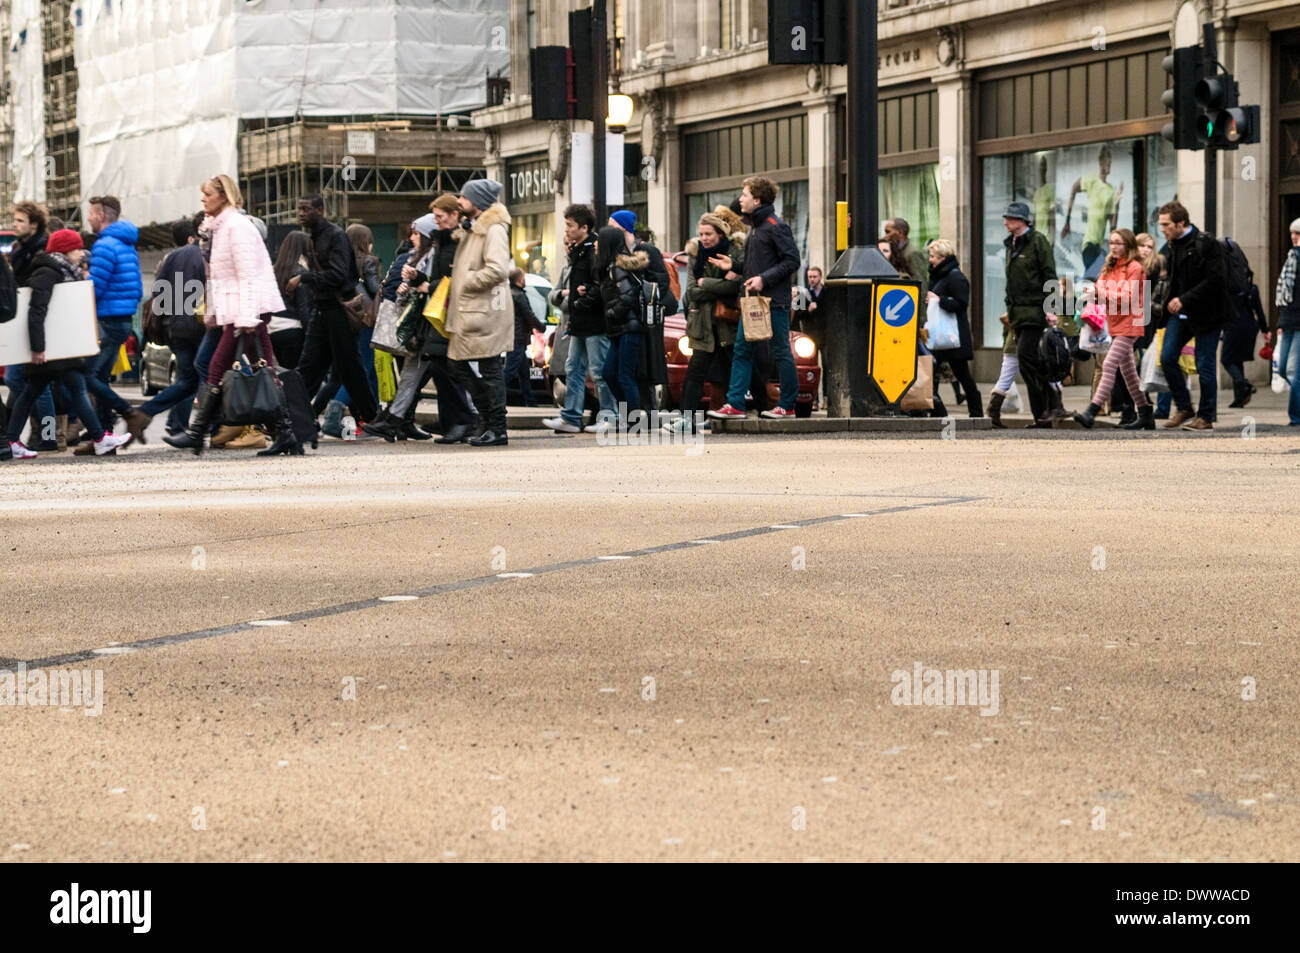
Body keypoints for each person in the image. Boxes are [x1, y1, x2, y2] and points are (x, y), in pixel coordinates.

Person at [165, 175, 291, 455]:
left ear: (223, 196)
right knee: (263, 368)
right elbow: (218, 278)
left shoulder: (236, 227)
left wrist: (246, 316)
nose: (203, 199)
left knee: (217, 366)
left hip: (246, 310)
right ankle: (286, 433)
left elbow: (246, 274)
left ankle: (197, 433)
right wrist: (214, 312)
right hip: (239, 310)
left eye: (207, 194)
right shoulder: (220, 229)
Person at [4, 229, 133, 458]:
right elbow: (37, 310)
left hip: (58, 347)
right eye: (76, 249)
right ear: (64, 250)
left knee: (38, 393)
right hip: (52, 348)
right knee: (71, 390)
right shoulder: (49, 271)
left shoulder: (60, 270)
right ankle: (98, 438)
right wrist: (38, 347)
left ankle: (13, 440)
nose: (80, 254)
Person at [366, 199, 473, 443]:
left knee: (453, 373)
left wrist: (422, 284)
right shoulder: (422, 253)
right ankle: (396, 418)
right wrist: (414, 282)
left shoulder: (445, 248)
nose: (412, 237)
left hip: (439, 320)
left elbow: (451, 281)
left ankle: (473, 418)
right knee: (417, 374)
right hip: (427, 322)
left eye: (417, 233)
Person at [708, 176, 801, 420]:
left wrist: (763, 279)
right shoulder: (757, 228)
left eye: (745, 195)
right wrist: (735, 265)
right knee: (742, 351)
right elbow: (757, 266)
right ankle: (736, 404)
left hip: (773, 301)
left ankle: (788, 405)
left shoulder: (775, 225)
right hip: (754, 302)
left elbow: (792, 261)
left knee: (780, 351)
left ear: (757, 200)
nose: (741, 199)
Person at [291, 194, 380, 429]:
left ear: (320, 209)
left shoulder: (335, 236)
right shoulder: (313, 237)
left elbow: (340, 275)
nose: (301, 213)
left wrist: (304, 277)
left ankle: (372, 417)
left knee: (349, 369)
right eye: (299, 209)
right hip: (323, 311)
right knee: (311, 368)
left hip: (338, 313)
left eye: (306, 209)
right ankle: (293, 418)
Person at [445, 179, 513, 447]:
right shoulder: (474, 228)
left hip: (485, 309)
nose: (459, 201)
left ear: (478, 201)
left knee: (489, 367)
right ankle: (488, 419)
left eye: (464, 197)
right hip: (473, 309)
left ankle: (496, 426)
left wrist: (468, 280)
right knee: (458, 363)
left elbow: (497, 269)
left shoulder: (493, 230)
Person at [1157, 200, 1229, 431]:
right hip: (1182, 314)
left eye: (1166, 224)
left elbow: (1216, 280)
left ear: (1181, 223)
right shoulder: (1172, 244)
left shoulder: (1206, 243)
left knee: (1204, 363)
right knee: (1167, 358)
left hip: (1208, 314)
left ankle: (1205, 417)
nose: (1162, 229)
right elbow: (1174, 280)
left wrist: (1183, 299)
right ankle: (1184, 407)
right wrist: (1168, 302)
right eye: (1161, 224)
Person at [1071, 229, 1154, 430]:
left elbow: (1127, 298)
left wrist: (1100, 292)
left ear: (1128, 245)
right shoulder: (1109, 267)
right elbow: (1101, 292)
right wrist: (1090, 295)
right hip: (1114, 322)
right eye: (1111, 243)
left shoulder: (1135, 268)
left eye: (1119, 243)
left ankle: (1091, 411)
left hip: (1131, 322)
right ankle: (1145, 413)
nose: (1114, 247)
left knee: (1109, 364)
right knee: (1128, 371)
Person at [85, 195, 150, 445]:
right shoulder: (126, 244)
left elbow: (95, 288)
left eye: (91, 213)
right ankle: (104, 436)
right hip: (122, 320)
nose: (88, 218)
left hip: (106, 320)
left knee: (87, 377)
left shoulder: (104, 245)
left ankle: (129, 413)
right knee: (99, 378)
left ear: (101, 216)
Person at [134, 218, 207, 439]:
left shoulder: (171, 258)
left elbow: (160, 298)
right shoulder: (206, 256)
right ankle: (209, 427)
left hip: (177, 326)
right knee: (210, 376)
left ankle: (165, 421)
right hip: (203, 324)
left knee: (186, 380)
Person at [543, 204, 612, 434]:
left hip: (594, 321)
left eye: (570, 226)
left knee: (599, 370)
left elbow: (600, 285)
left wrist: (581, 299)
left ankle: (609, 416)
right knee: (573, 368)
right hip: (580, 321)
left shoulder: (593, 251)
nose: (567, 230)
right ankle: (571, 417)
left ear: (584, 227)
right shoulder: (580, 250)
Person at [676, 210, 746, 432]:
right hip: (702, 324)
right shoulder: (696, 255)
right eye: (701, 234)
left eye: (709, 233)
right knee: (695, 373)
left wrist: (706, 283)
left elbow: (735, 286)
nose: (704, 238)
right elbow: (691, 293)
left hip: (727, 324)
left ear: (720, 233)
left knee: (734, 369)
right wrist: (716, 286)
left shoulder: (733, 253)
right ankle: (686, 419)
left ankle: (751, 408)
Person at [1001, 201, 1059, 428]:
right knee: (1027, 363)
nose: (1006, 222)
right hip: (1018, 313)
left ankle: (1052, 403)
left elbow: (1050, 275)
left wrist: (1052, 308)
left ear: (1022, 221)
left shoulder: (1037, 241)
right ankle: (1042, 414)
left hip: (1035, 310)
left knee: (1026, 357)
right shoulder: (1012, 244)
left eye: (1010, 218)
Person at [6, 201, 57, 450]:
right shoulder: (19, 249)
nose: (14, 225)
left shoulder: (42, 251)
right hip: (24, 324)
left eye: (20, 221)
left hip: (40, 324)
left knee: (35, 384)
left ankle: (46, 435)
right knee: (22, 382)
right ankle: (33, 434)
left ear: (34, 225)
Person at [595, 224, 654, 416]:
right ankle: (629, 414)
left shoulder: (617, 268)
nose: (596, 244)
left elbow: (629, 295)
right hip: (621, 329)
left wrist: (612, 313)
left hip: (629, 327)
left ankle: (634, 418)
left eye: (599, 241)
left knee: (624, 376)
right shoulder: (610, 268)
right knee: (609, 373)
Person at [924, 239, 981, 417]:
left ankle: (976, 413)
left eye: (933, 256)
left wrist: (939, 300)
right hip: (940, 334)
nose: (930, 260)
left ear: (942, 257)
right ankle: (937, 412)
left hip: (952, 335)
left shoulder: (955, 276)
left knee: (963, 375)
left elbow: (961, 304)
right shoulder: (939, 276)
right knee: (931, 374)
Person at [1221, 247, 1269, 408]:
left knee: (1226, 360)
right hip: (1249, 326)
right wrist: (1265, 330)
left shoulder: (1227, 286)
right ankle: (1239, 397)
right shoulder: (1250, 287)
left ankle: (1244, 384)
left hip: (1233, 325)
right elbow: (1259, 311)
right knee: (1237, 360)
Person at [1063, 145, 1123, 270]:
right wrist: (1067, 221)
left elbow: (1112, 226)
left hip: (1099, 246)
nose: (1109, 165)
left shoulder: (1110, 189)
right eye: (1107, 161)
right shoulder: (1091, 180)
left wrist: (1117, 205)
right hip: (1088, 244)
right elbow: (1074, 189)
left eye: (1110, 162)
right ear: (1101, 162)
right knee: (1093, 278)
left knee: (1097, 280)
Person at [269, 231, 315, 371]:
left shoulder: (273, 271)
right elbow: (303, 309)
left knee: (284, 374)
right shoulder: (300, 274)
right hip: (294, 329)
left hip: (272, 329)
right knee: (295, 377)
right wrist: (311, 336)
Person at [1273, 217, 1300, 427]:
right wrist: (1281, 324)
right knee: (1282, 369)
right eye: (1293, 233)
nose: (1294, 237)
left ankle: (1296, 418)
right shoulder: (1291, 257)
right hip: (1289, 320)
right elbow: (1284, 295)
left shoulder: (1296, 257)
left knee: (1295, 371)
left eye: (1298, 234)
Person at [505, 267, 545, 405]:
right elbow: (528, 314)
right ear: (520, 280)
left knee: (524, 373)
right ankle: (496, 400)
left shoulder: (509, 293)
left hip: (516, 337)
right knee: (509, 372)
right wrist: (541, 327)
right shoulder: (519, 295)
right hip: (518, 337)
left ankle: (530, 400)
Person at [884, 218, 928, 283]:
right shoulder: (894, 250)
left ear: (900, 232)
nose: (885, 236)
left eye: (888, 232)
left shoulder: (912, 253)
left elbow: (920, 280)